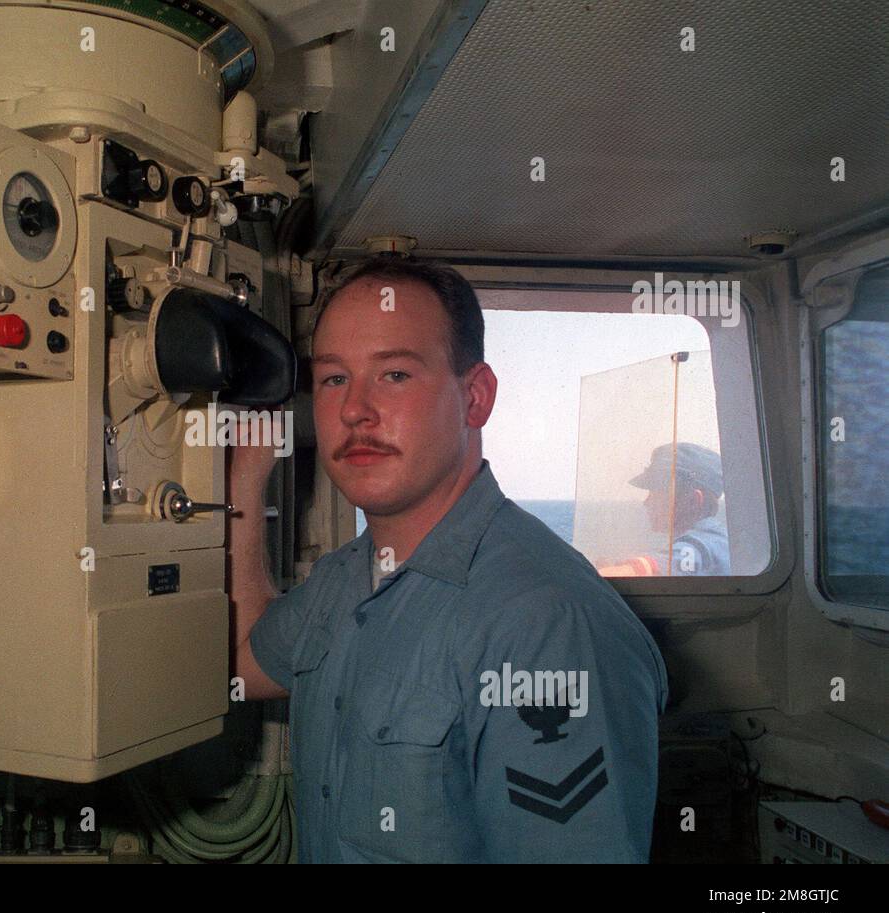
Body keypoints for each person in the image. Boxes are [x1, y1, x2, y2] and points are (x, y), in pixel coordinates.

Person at [226, 256, 668, 863]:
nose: (355, 409)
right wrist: (243, 487)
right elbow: (245, 664)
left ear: (475, 397)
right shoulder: (344, 580)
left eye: (396, 375)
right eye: (333, 380)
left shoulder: (545, 624)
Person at [601, 443, 731, 577]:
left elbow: (649, 570)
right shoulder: (717, 541)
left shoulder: (702, 545)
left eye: (656, 495)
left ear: (692, 501)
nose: (646, 502)